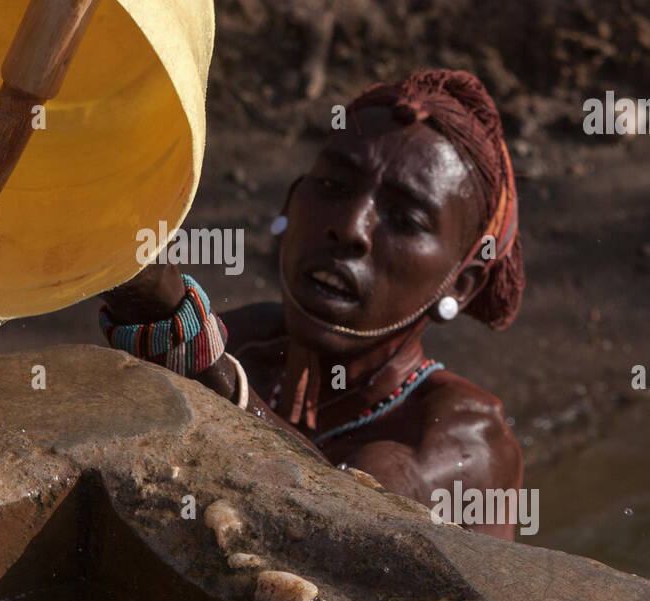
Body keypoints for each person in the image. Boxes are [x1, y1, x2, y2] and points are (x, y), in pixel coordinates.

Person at [98, 69, 524, 539]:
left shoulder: (462, 439)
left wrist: (181, 336)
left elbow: (333, 525)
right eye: (335, 187)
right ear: (288, 204)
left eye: (404, 218)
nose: (351, 227)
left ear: (459, 286)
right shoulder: (249, 341)